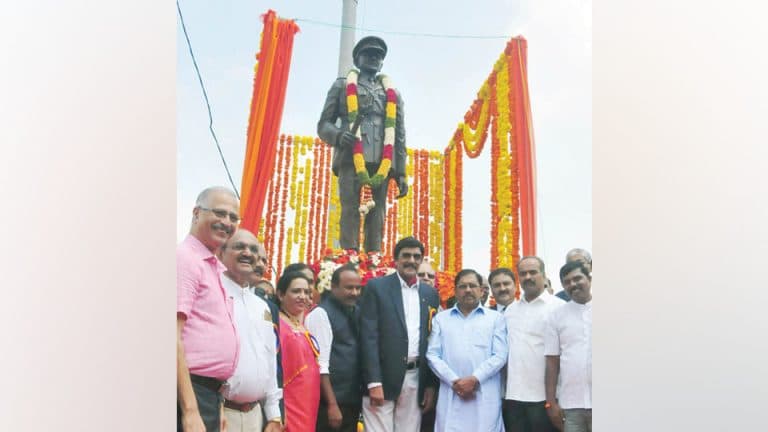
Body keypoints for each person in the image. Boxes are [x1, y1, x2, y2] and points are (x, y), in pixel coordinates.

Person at [318, 35, 408, 252]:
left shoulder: (392, 93)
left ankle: (373, 256)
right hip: (351, 156)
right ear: (357, 59)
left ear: (382, 62)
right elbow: (323, 124)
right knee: (349, 208)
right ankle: (349, 255)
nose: (373, 58)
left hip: (382, 159)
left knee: (378, 213)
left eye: (378, 55)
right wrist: (339, 136)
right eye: (368, 54)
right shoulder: (342, 86)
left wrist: (401, 172)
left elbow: (399, 134)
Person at [359, 236, 440, 432]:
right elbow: (368, 336)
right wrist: (373, 381)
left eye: (416, 256)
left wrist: (429, 384)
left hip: (416, 377)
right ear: (396, 259)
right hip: (382, 378)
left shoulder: (430, 295)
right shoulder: (377, 287)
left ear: (421, 260)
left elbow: (432, 341)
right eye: (406, 256)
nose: (411, 260)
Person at [177, 186, 240, 432]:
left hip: (208, 396)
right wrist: (190, 411)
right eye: (219, 213)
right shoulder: (186, 259)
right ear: (196, 213)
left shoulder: (214, 268)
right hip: (187, 394)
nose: (226, 222)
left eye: (233, 217)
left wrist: (218, 405)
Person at [426, 269, 508, 431]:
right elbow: (432, 355)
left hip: (484, 394)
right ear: (455, 291)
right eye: (463, 286)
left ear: (481, 291)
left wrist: (474, 379)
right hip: (451, 394)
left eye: (472, 286)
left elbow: (500, 355)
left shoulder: (496, 319)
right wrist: (455, 381)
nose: (468, 290)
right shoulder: (442, 319)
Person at [217, 230, 283, 432]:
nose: (248, 253)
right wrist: (214, 405)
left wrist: (273, 414)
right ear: (221, 252)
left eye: (253, 249)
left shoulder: (261, 306)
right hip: (221, 414)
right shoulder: (212, 294)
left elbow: (270, 359)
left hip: (256, 415)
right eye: (239, 247)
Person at [502, 256, 564, 432]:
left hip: (545, 399)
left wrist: (556, 399)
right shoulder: (511, 310)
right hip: (514, 397)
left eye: (533, 272)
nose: (528, 277)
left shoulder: (558, 307)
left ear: (544, 276)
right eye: (523, 274)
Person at [305, 263, 364, 432]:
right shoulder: (321, 314)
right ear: (333, 287)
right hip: (330, 405)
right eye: (349, 288)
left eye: (357, 288)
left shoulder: (355, 311)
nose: (354, 293)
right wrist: (332, 405)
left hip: (350, 402)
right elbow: (320, 365)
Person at [545, 261, 592, 432]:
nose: (573, 284)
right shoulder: (556, 316)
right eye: (567, 282)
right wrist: (550, 403)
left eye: (577, 278)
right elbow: (551, 362)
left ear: (589, 278)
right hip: (571, 405)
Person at [276, 270, 321, 431]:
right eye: (296, 291)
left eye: (306, 292)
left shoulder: (299, 324)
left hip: (307, 402)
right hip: (289, 402)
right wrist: (278, 410)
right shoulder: (278, 325)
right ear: (281, 295)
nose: (303, 296)